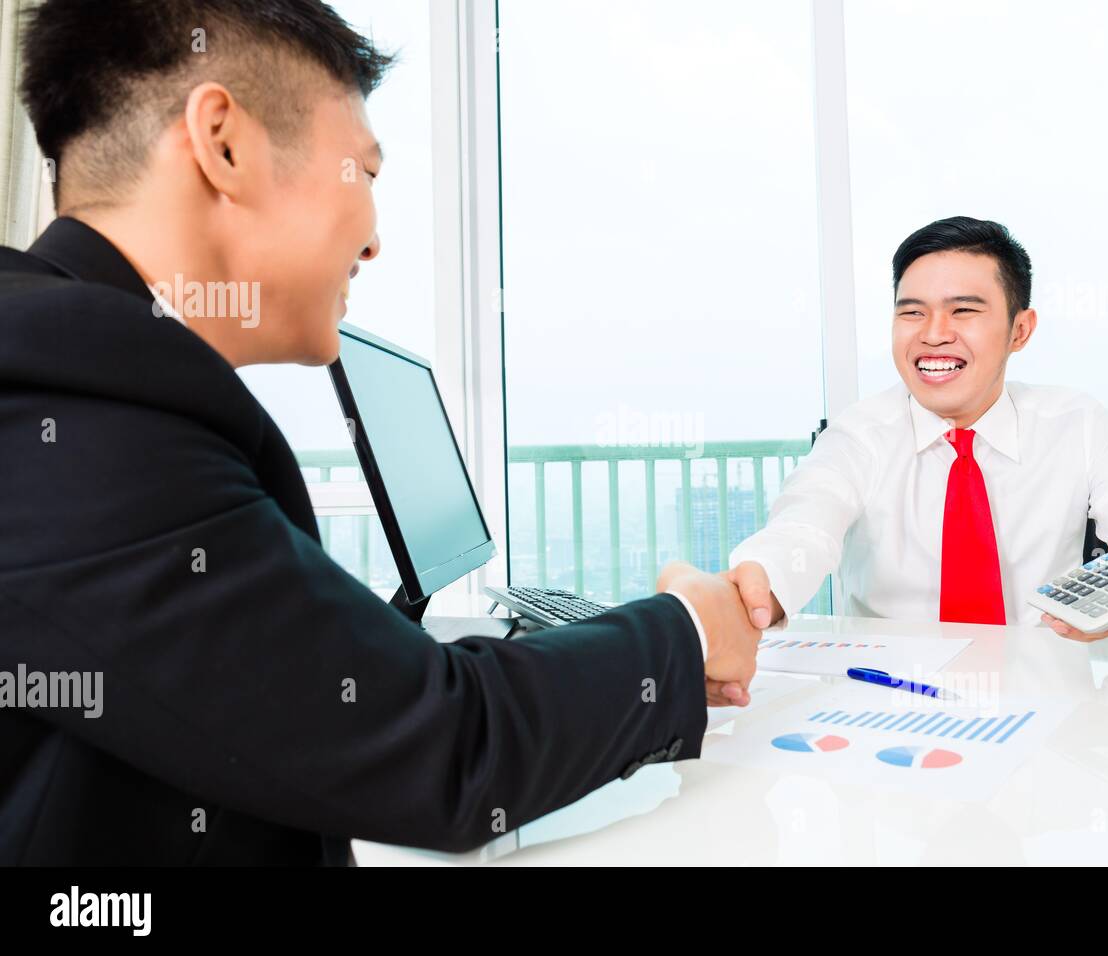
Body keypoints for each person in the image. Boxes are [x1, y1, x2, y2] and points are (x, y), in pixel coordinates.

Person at [0, 0, 758, 865]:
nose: (375, 242)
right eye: (362, 172)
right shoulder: (71, 385)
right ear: (224, 143)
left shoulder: (85, 363)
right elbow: (443, 748)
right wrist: (688, 630)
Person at [727, 216, 1108, 645]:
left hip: (1052, 719)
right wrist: (758, 590)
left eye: (963, 311)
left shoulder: (1080, 425)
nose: (933, 334)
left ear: (1020, 330)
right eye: (912, 313)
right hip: (892, 710)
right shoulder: (858, 435)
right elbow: (802, 530)